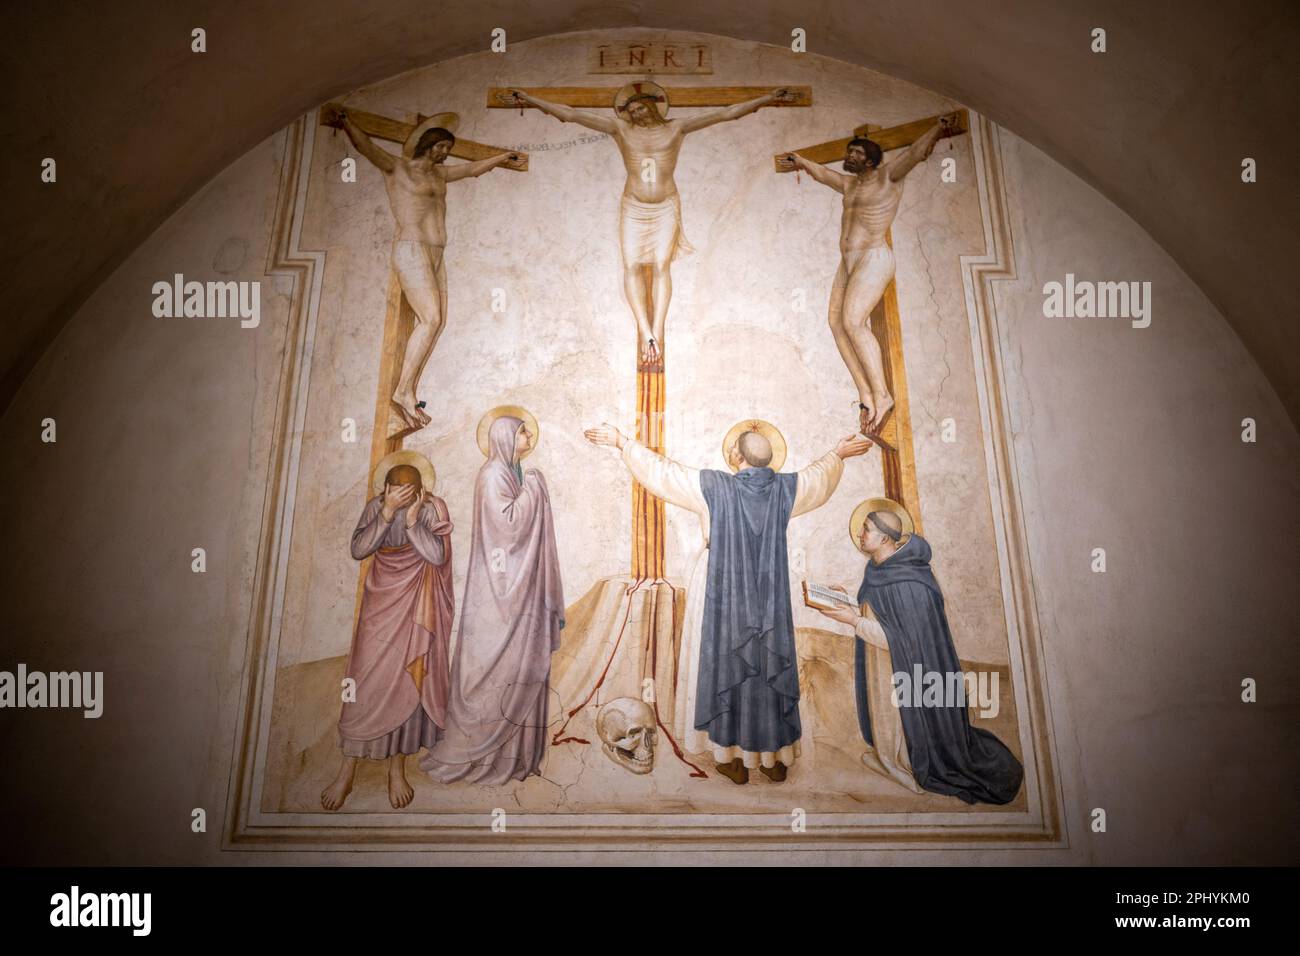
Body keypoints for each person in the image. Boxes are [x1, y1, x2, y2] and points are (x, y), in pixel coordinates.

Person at [585, 421, 873, 784]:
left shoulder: (713, 487)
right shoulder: (786, 488)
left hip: (721, 591)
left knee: (726, 664)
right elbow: (817, 479)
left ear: (735, 456)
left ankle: (731, 759)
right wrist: (838, 454)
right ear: (771, 460)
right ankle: (773, 759)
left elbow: (664, 474)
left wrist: (623, 443)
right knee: (767, 667)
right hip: (769, 593)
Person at [505, 83, 795, 365]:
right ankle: (646, 333)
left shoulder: (676, 128)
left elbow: (725, 113)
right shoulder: (621, 130)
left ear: (652, 106)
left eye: (640, 108)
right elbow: (571, 114)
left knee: (660, 266)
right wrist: (531, 99)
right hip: (634, 207)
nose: (636, 115)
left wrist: (767, 98)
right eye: (630, 111)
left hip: (665, 206)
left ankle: (657, 328)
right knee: (631, 265)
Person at [325, 105, 520, 431]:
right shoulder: (398, 168)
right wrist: (346, 122)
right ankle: (402, 392)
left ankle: (409, 391)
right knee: (430, 319)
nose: (445, 153)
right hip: (411, 249)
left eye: (448, 149)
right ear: (427, 144)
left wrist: (500, 159)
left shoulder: (439, 174)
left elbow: (472, 170)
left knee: (437, 323)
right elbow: (366, 147)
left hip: (435, 253)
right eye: (441, 147)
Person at [816, 508, 1024, 804]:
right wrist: (848, 599)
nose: (861, 535)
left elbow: (900, 640)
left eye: (866, 530)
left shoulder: (908, 583)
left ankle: (907, 763)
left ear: (886, 539)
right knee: (883, 721)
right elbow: (882, 612)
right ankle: (890, 756)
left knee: (899, 723)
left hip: (907, 672)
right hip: (884, 665)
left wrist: (852, 621)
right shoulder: (880, 567)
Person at [782, 114, 955, 435]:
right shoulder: (849, 184)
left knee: (853, 322)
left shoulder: (889, 177)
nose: (849, 156)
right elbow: (822, 175)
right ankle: (866, 393)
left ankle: (884, 395)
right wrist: (801, 161)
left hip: (874, 257)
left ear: (872, 159)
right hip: (847, 261)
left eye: (857, 153)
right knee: (835, 323)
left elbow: (916, 153)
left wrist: (938, 129)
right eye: (849, 152)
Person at [421, 414, 565, 784]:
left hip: (523, 591)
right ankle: (482, 756)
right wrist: (534, 487)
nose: (530, 435)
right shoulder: (492, 476)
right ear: (504, 438)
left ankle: (515, 757)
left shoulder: (515, 472)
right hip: (498, 593)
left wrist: (529, 483)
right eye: (522, 432)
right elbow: (508, 528)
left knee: (524, 668)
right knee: (493, 668)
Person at [321, 458, 455, 810]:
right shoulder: (376, 506)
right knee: (364, 679)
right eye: (395, 490)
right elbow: (359, 550)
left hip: (415, 607)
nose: (402, 495)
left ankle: (397, 770)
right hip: (380, 604)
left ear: (421, 489)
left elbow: (438, 557)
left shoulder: (431, 508)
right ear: (386, 487)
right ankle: (346, 770)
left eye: (409, 491)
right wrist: (385, 513)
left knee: (407, 680)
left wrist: (412, 523)